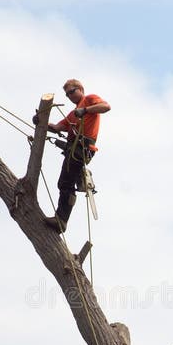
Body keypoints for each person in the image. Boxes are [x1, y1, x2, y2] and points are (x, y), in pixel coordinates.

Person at [43, 79, 111, 232]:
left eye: (72, 92)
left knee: (66, 183)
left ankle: (61, 219)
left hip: (82, 148)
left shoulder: (89, 100)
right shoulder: (72, 114)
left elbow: (106, 107)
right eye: (67, 95)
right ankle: (61, 218)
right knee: (64, 182)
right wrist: (42, 123)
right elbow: (59, 126)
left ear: (80, 89)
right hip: (73, 149)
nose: (69, 96)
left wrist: (85, 110)